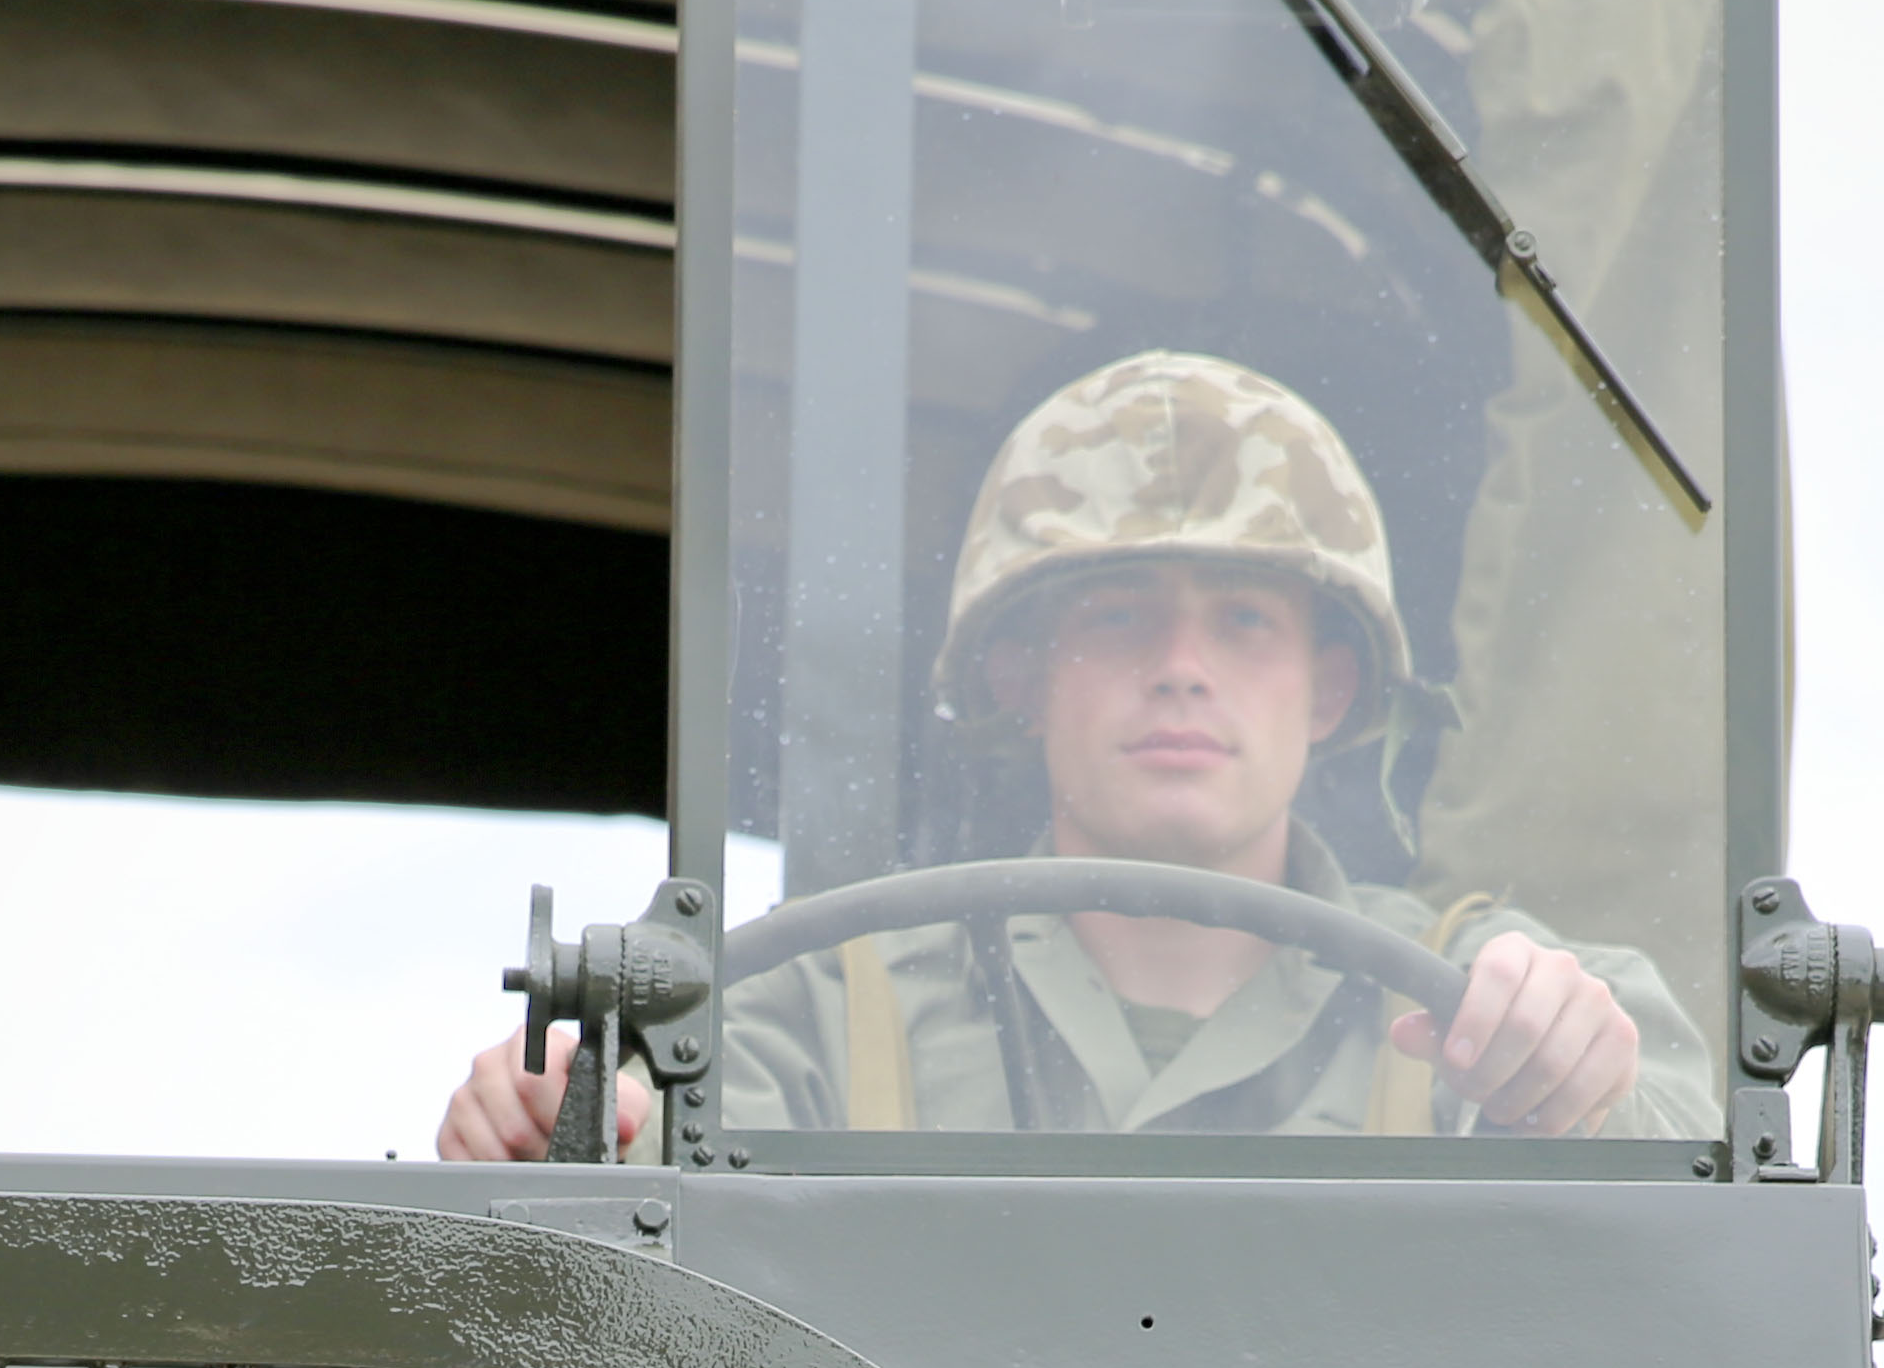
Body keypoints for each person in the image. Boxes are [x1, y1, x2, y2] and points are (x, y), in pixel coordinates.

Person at [438, 352, 1716, 1159]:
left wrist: (1580, 1084)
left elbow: (1696, 1213)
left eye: (1244, 619)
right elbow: (633, 1220)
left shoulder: (1475, 1001)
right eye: (1116, 615)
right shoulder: (813, 1010)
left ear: (1329, 688)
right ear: (1017, 676)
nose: (1181, 665)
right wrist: (551, 1137)